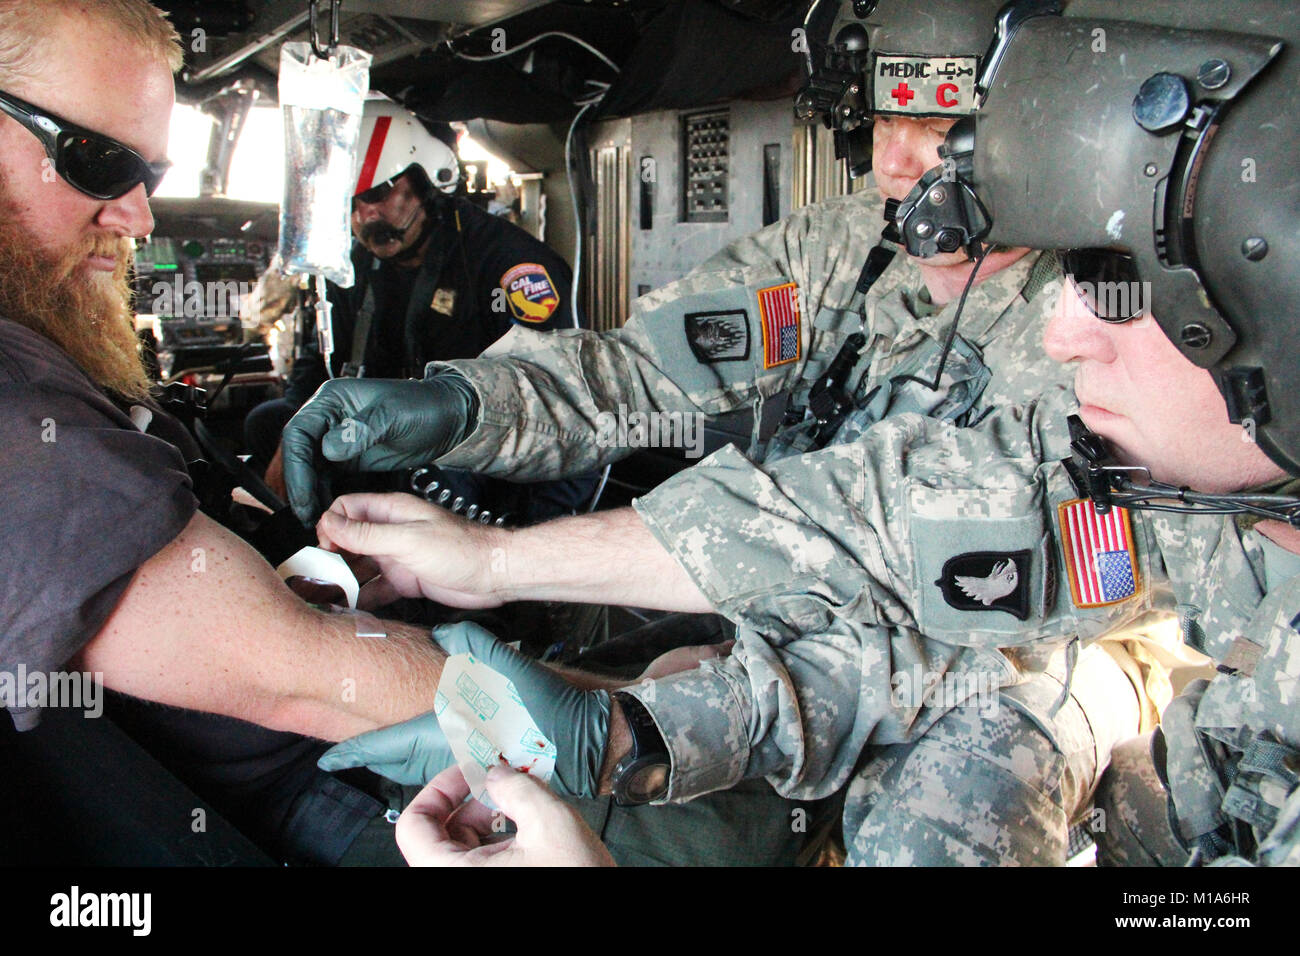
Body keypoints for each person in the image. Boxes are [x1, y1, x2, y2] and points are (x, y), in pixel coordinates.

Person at [293, 0, 1170, 865]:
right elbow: (649, 368)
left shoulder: (1114, 309)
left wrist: (500, 561)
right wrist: (466, 408)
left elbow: (905, 544)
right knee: (569, 713)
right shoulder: (857, 244)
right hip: (809, 597)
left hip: (1042, 640)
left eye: (942, 123)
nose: (894, 160)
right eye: (882, 115)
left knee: (936, 824)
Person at [0, 0, 649, 866]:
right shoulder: (358, 277)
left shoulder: (507, 268)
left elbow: (578, 416)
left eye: (145, 172)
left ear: (429, 185)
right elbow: (291, 668)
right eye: (94, 162)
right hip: (281, 769)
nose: (140, 219)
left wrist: (517, 570)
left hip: (502, 496)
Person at [246, 99, 592, 524]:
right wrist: (291, 434)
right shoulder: (352, 265)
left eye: (376, 195)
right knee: (270, 421)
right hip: (381, 422)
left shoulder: (510, 268)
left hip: (481, 441)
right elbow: (317, 361)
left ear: (427, 182)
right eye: (350, 203)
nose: (363, 216)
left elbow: (564, 404)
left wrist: (539, 533)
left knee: (429, 475)